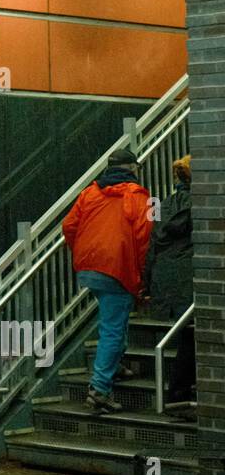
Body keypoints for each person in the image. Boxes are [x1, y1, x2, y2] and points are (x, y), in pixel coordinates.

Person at [62, 147, 152, 413]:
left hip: (89, 267)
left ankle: (116, 364)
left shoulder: (90, 192)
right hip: (117, 268)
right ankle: (99, 389)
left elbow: (69, 226)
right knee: (112, 329)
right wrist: (145, 274)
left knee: (115, 319)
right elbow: (144, 238)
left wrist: (82, 250)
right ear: (133, 169)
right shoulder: (138, 196)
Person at [143, 155, 195, 419]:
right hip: (188, 277)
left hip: (165, 277)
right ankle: (179, 393)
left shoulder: (163, 205)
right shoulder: (203, 204)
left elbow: (152, 245)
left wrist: (147, 281)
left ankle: (180, 390)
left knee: (188, 335)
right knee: (194, 336)